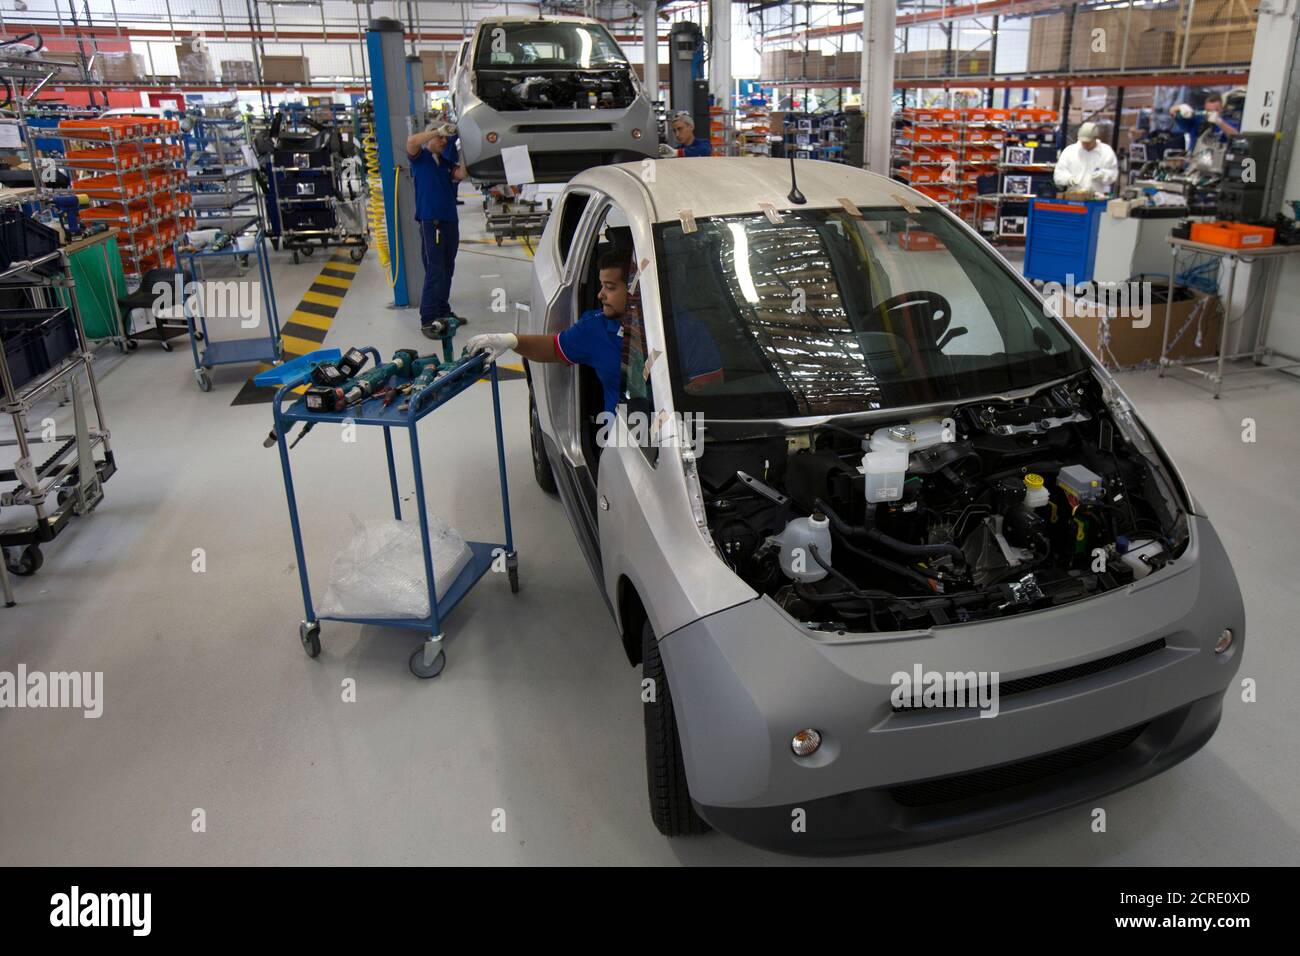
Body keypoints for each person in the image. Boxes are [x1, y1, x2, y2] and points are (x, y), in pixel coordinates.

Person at [464, 250, 723, 419]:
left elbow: (708, 387)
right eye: (601, 286)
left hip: (679, 436)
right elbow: (554, 348)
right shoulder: (596, 327)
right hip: (623, 441)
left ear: (636, 289)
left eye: (610, 287)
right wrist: (511, 340)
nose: (600, 295)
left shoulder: (685, 328)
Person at [406, 122, 467, 339]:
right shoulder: (420, 158)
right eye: (440, 138)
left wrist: (470, 145)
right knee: (435, 270)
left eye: (445, 139)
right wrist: (439, 130)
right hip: (432, 223)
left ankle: (443, 311)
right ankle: (428, 319)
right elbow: (412, 141)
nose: (443, 142)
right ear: (430, 137)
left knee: (447, 268)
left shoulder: (445, 163)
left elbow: (462, 174)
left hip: (450, 221)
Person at [1053, 122, 1118, 196]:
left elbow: (1113, 174)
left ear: (1095, 138)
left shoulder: (1106, 152)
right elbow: (1059, 173)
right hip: (1074, 197)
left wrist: (1103, 175)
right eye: (1083, 142)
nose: (1085, 144)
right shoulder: (1070, 151)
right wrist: (1069, 179)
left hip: (1096, 198)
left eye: (1088, 142)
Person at [1171, 92, 1239, 148]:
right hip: (1194, 160)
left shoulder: (1228, 123)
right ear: (1205, 109)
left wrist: (1220, 122)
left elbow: (1236, 138)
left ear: (1222, 109)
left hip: (1217, 160)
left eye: (1216, 110)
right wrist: (1181, 108)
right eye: (1209, 110)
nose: (1211, 113)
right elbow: (1172, 112)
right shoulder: (1197, 121)